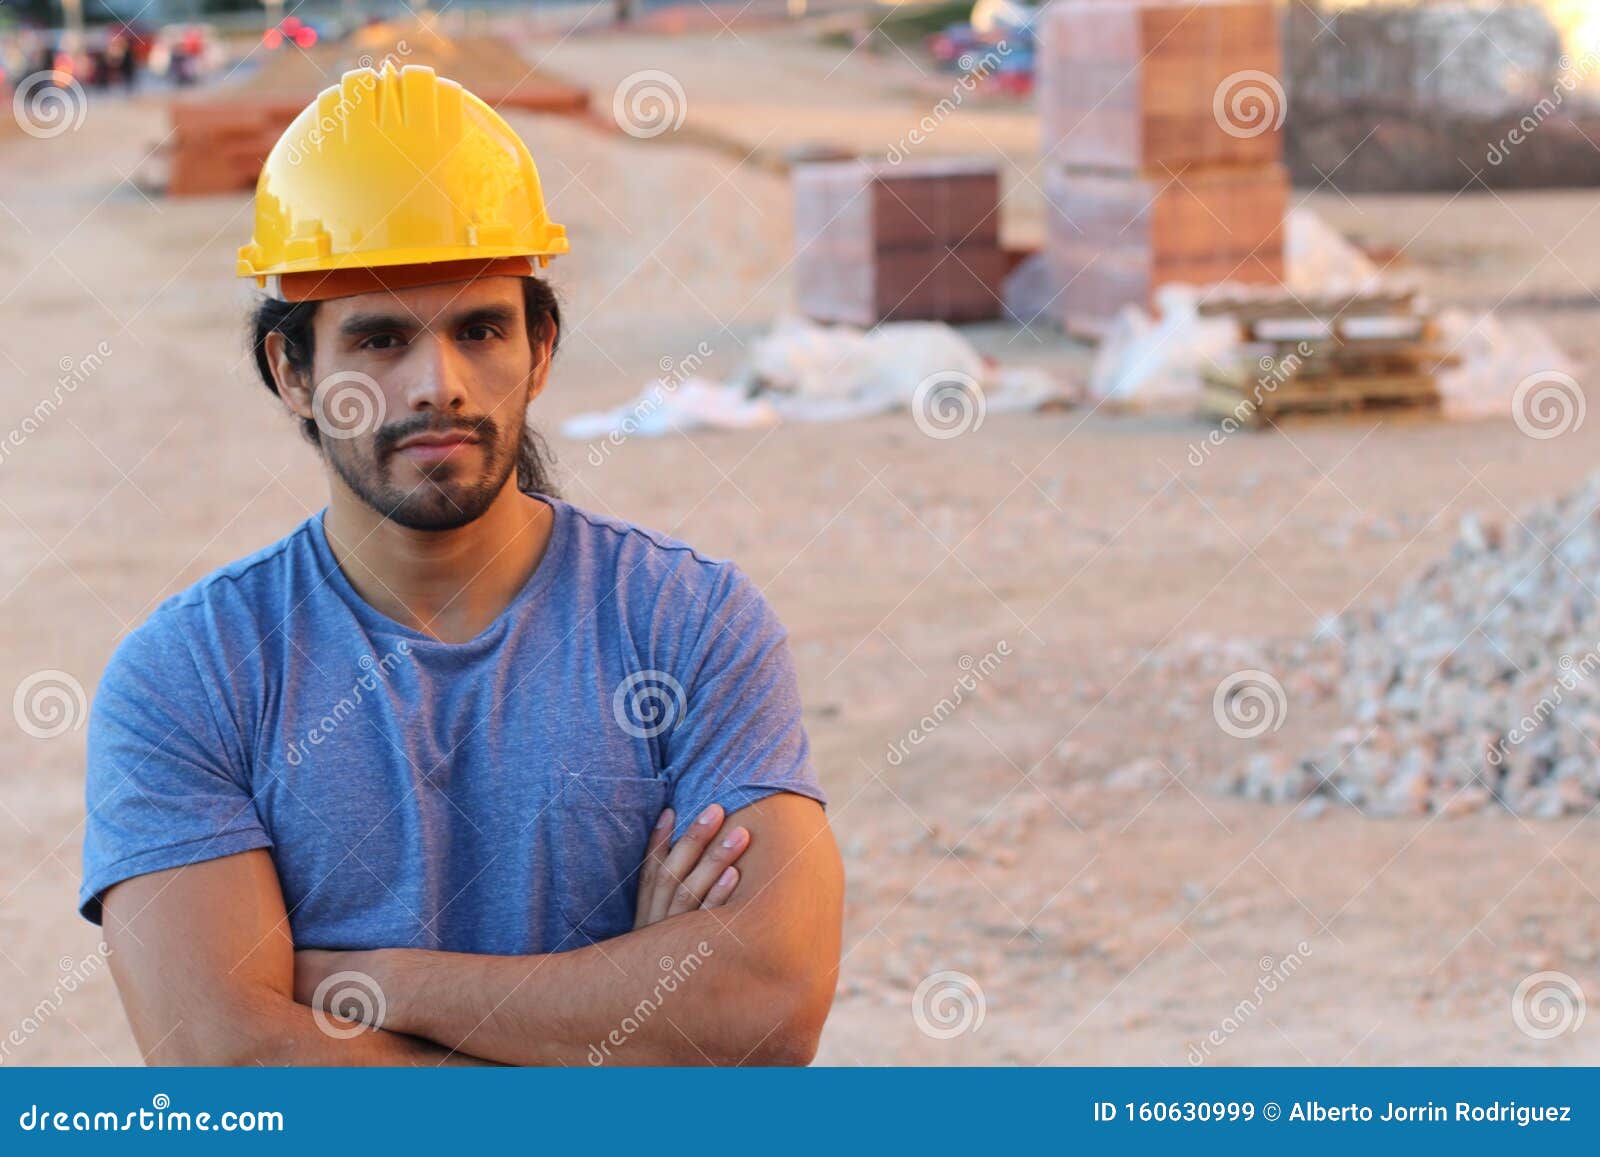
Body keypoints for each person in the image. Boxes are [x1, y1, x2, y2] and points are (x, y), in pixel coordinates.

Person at [80, 63, 844, 1066]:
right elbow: (232, 1063)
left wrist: (376, 981)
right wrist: (629, 1019)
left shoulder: (687, 624)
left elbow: (765, 1002)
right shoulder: (192, 674)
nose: (435, 383)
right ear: (293, 373)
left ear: (540, 348)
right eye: (380, 337)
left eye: (479, 328)